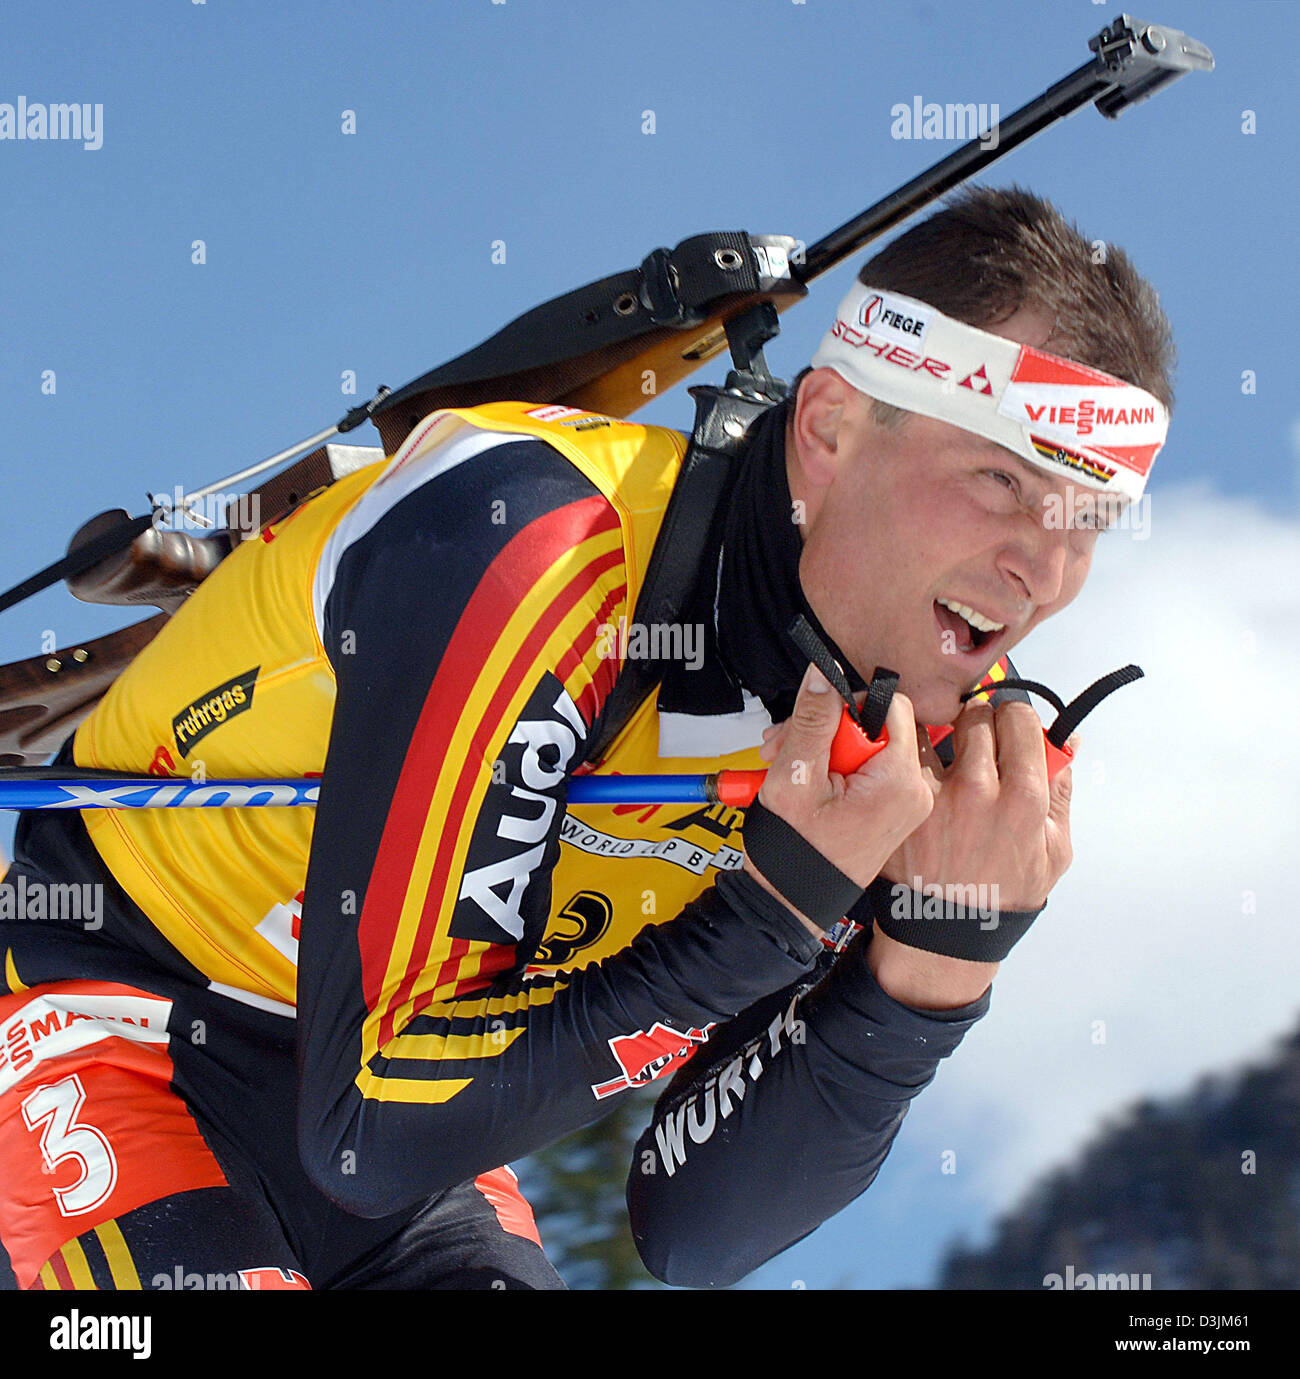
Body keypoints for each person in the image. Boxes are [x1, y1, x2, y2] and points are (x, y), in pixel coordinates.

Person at [0, 186, 1173, 1291]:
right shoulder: (534, 544)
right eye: (1002, 482)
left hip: (424, 1114)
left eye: (1089, 523)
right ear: (829, 425)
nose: (1044, 573)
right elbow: (366, 1128)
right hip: (110, 1010)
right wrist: (771, 909)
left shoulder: (945, 729)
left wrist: (932, 965)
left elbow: (692, 1227)